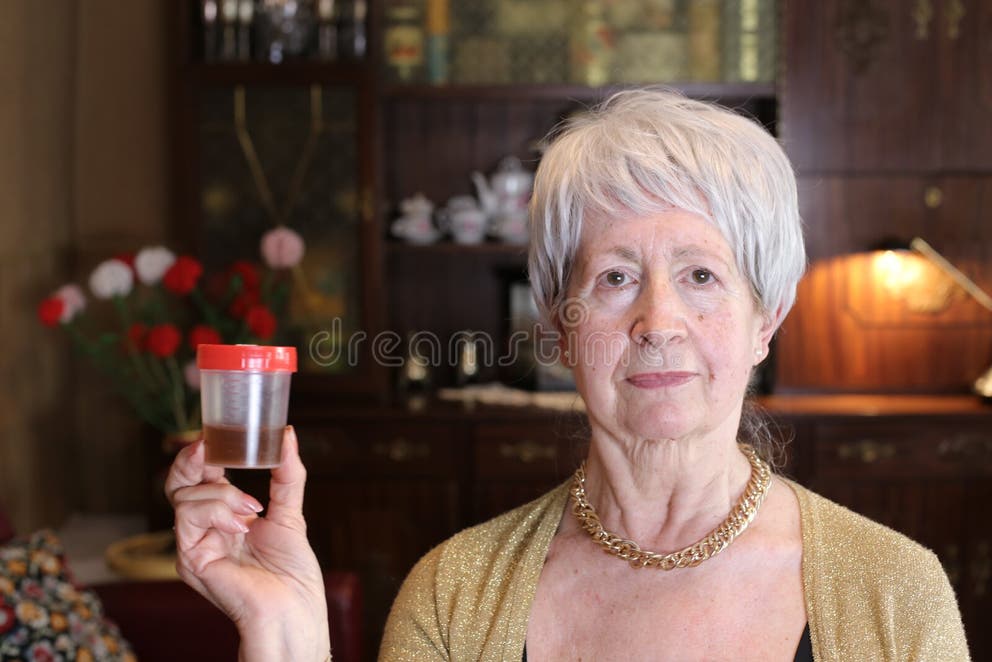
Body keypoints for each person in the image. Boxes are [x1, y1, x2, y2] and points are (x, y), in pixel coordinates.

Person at [166, 88, 970, 661]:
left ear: (766, 321)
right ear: (557, 326)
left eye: (701, 276)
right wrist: (286, 635)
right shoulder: (452, 595)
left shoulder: (895, 592)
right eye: (615, 278)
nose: (658, 322)